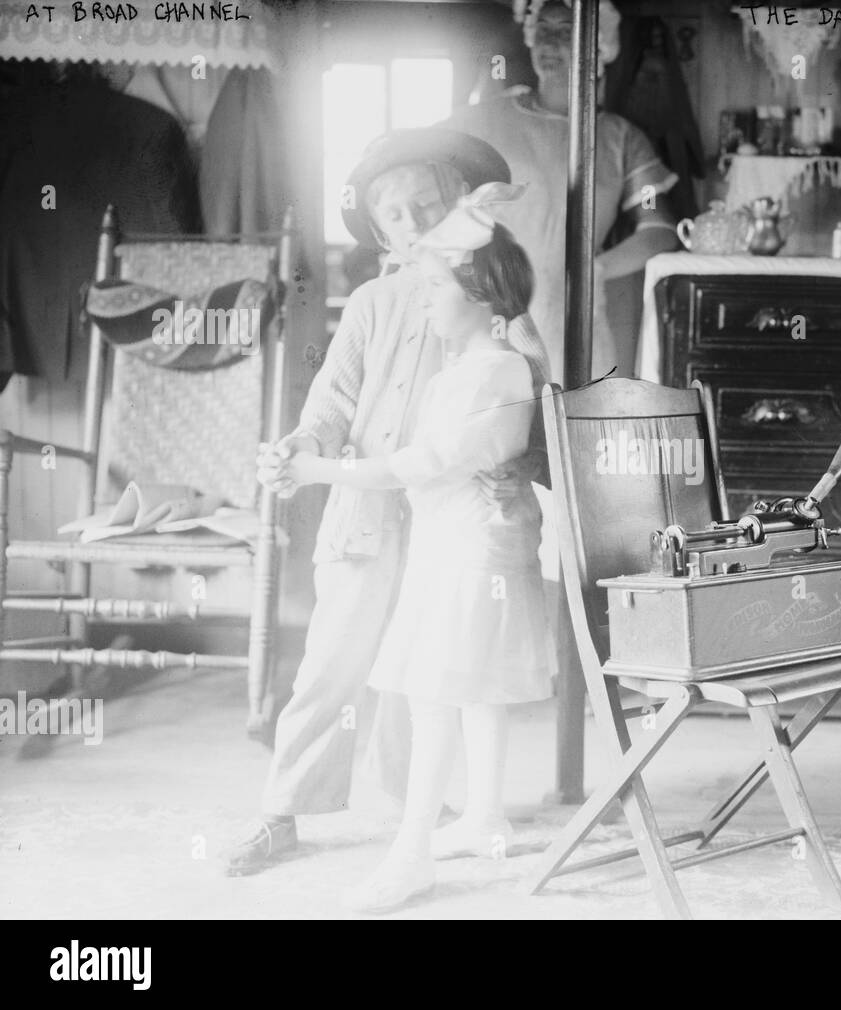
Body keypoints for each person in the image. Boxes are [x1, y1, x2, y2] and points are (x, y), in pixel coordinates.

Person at [224, 128, 541, 876]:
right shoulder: (373, 301)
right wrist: (297, 447)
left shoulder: (481, 299)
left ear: (459, 207)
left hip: (446, 525)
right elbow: (332, 399)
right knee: (332, 661)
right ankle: (282, 809)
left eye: (424, 205)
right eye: (391, 215)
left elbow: (530, 388)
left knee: (423, 675)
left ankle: (417, 813)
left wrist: (519, 460)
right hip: (366, 511)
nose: (408, 224)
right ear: (377, 228)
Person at [282, 195, 553, 912]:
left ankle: (411, 857)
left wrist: (317, 473)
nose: (424, 300)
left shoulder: (496, 373)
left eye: (435, 288)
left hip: (471, 551)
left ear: (478, 297)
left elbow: (416, 465)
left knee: (436, 693)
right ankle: (485, 815)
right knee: (469, 686)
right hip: (457, 542)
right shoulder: (468, 368)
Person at [443, 0, 679, 381]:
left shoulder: (621, 140)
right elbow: (426, 179)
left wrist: (596, 269)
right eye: (544, 28)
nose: (550, 42)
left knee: (576, 424)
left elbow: (659, 229)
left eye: (567, 30)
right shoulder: (483, 120)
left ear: (597, 43)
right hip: (492, 315)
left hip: (578, 316)